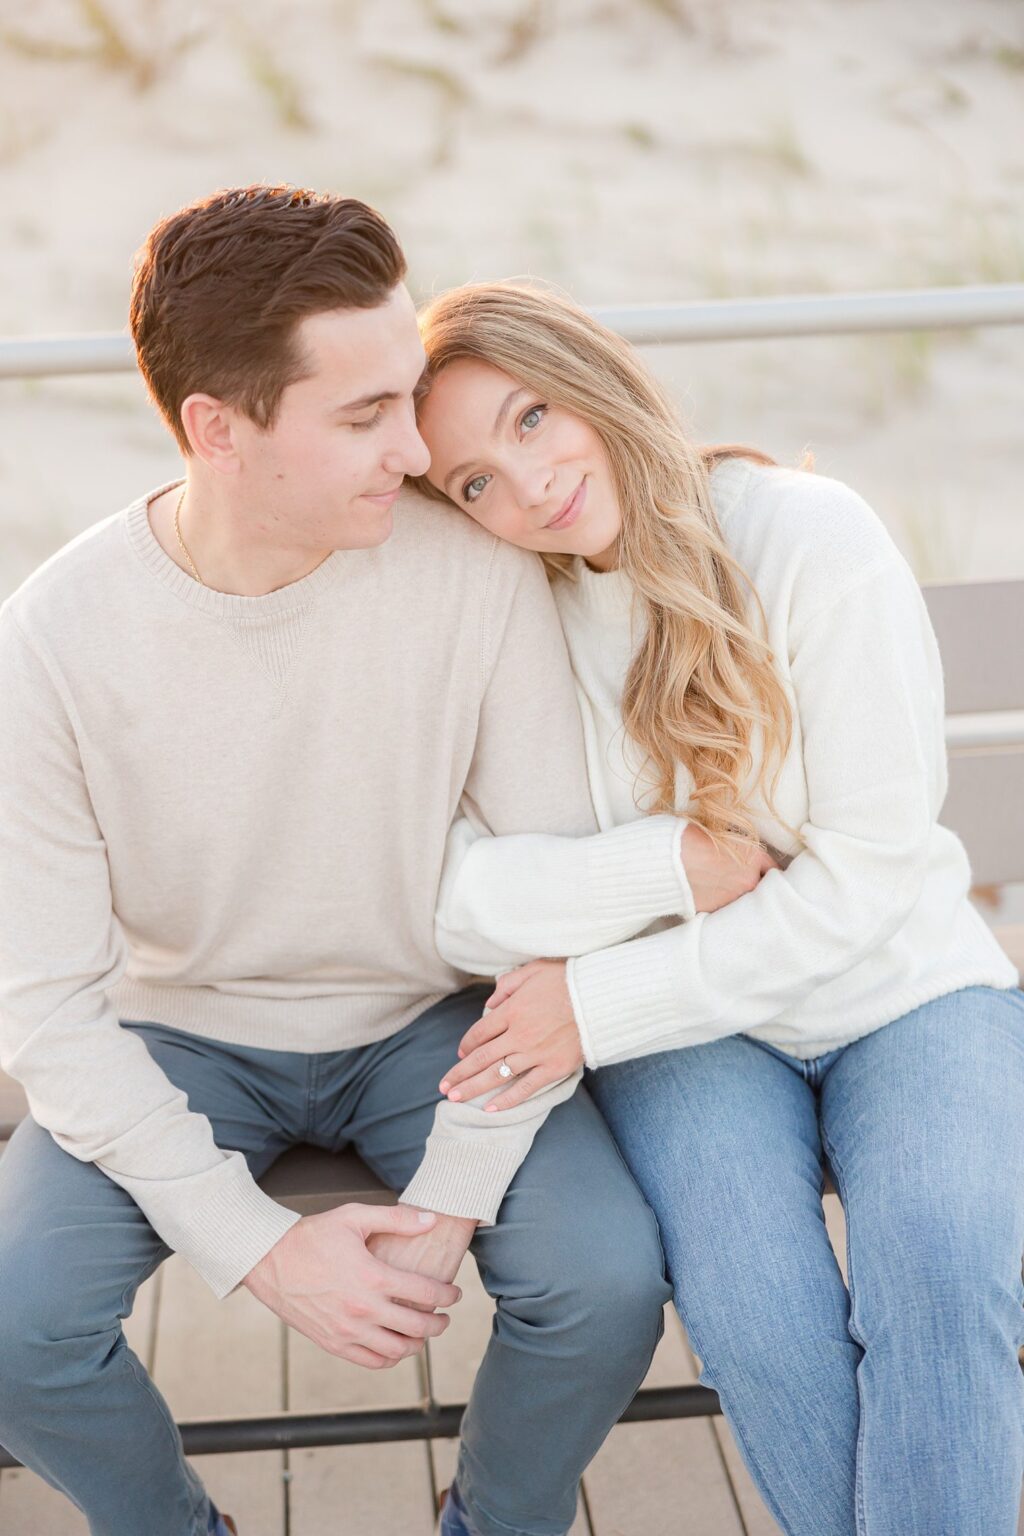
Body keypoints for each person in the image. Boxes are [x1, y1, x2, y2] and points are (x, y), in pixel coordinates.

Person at [0, 190, 690, 1536]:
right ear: (219, 428)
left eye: (410, 393)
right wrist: (258, 1251)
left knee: (604, 1284)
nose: (418, 443)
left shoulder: (472, 574)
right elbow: (44, 1011)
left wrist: (450, 1205)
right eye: (365, 413)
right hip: (179, 1030)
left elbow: (551, 908)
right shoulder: (51, 640)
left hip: (436, 1022)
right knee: (15, 1326)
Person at [413, 279, 1024, 1536]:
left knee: (946, 1264)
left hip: (900, 988)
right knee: (752, 1307)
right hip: (697, 1037)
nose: (523, 487)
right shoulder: (514, 617)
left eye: (531, 419)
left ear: (588, 376)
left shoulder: (806, 535)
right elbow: (457, 896)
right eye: (472, 480)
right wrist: (657, 873)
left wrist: (597, 995)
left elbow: (865, 875)